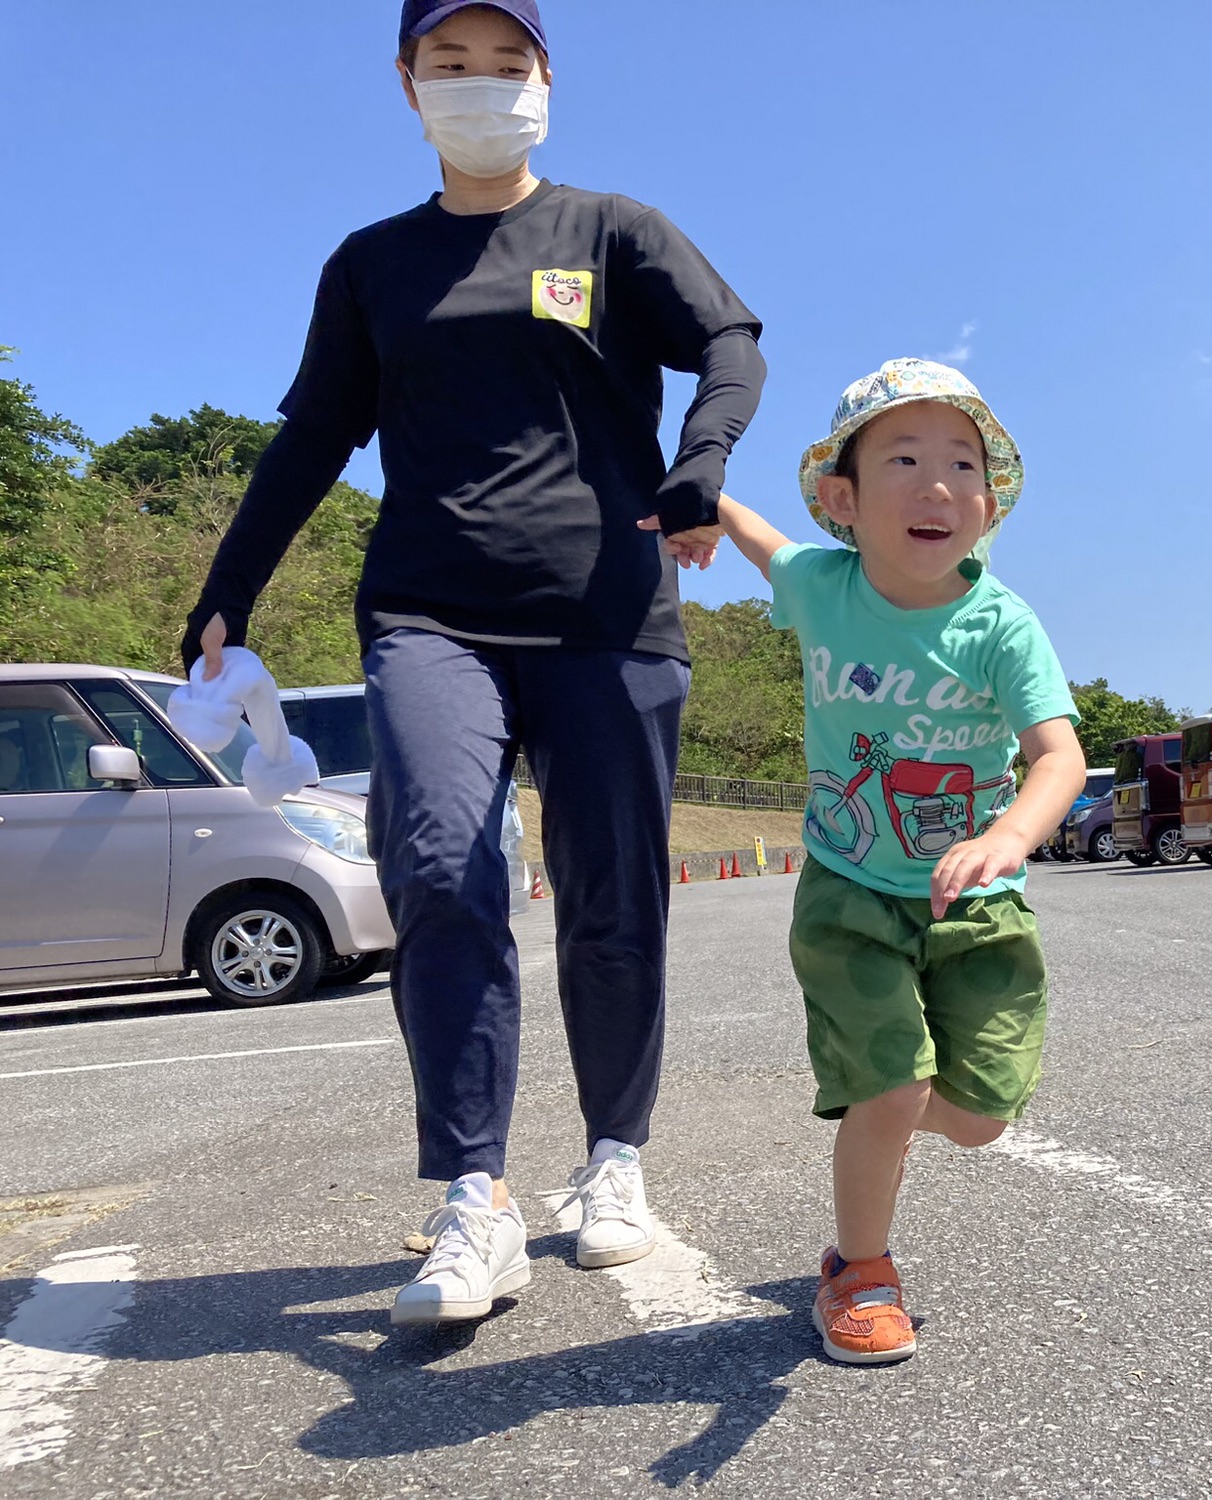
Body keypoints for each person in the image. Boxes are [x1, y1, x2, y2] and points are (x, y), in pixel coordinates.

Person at [179, 0, 765, 1326]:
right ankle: (473, 1198)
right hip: (431, 613)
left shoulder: (614, 230)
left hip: (610, 616)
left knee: (615, 902)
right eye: (452, 65)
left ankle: (614, 1161)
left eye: (507, 65)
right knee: (438, 866)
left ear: (547, 79)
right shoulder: (372, 264)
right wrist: (228, 588)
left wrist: (700, 467)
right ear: (407, 85)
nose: (480, 86)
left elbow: (730, 344)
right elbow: (315, 435)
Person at [715, 358, 1085, 1364]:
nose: (938, 486)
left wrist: (1007, 835)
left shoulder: (998, 623)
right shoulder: (821, 586)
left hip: (975, 902)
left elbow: (1059, 755)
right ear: (844, 499)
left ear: (988, 500)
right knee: (889, 1090)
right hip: (849, 892)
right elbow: (763, 544)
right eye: (906, 459)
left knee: (973, 1121)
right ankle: (859, 1272)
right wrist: (697, 495)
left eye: (962, 464)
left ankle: (882, 1123)